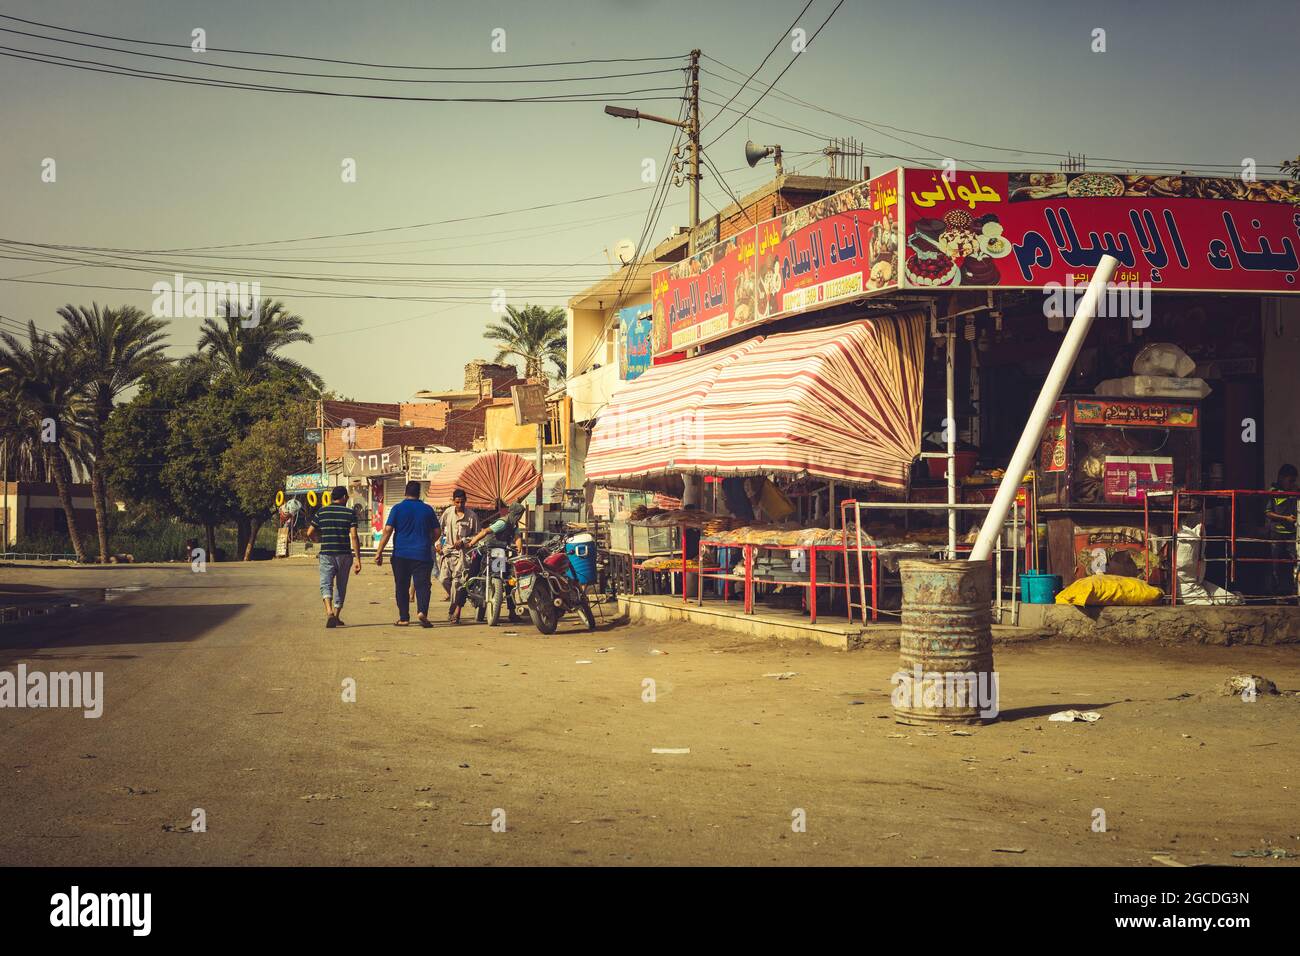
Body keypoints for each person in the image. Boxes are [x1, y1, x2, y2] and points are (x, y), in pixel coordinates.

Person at [374, 481, 440, 627]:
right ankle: (422, 611)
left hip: (401, 555)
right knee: (423, 585)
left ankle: (404, 618)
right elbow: (437, 532)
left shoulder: (397, 509)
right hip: (422, 554)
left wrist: (379, 551)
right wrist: (428, 542)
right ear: (419, 493)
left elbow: (387, 530)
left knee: (401, 586)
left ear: (405, 492)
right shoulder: (427, 509)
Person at [455, 500, 526, 624]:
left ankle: (512, 613)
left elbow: (517, 537)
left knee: (508, 581)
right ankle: (457, 611)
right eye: (519, 515)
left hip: (498, 554)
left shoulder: (514, 526)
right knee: (470, 580)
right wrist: (472, 542)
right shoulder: (502, 523)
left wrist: (519, 548)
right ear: (514, 513)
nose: (519, 517)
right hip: (483, 551)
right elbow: (485, 532)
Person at [306, 486, 361, 629]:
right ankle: (336, 616)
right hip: (344, 554)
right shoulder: (350, 513)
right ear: (343, 497)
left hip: (327, 553)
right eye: (347, 497)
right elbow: (354, 536)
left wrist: (317, 540)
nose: (347, 499)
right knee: (341, 585)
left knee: (326, 584)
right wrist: (358, 559)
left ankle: (329, 612)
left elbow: (310, 532)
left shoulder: (322, 512)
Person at [437, 488, 479, 606]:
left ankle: (454, 609)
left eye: (462, 502)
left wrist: (463, 541)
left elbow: (477, 535)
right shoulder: (447, 513)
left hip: (462, 554)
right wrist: (437, 543)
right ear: (453, 501)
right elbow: (438, 529)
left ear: (465, 501)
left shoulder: (472, 516)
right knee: (443, 580)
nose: (459, 504)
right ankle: (458, 598)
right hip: (447, 552)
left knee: (457, 582)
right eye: (457, 502)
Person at [1265, 463, 1298, 597]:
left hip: (1292, 534)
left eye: (1293, 481)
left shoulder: (1295, 492)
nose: (1291, 484)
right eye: (1290, 480)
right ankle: (1274, 593)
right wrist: (1285, 518)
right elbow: (1268, 513)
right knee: (1275, 564)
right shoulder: (1273, 492)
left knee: (1295, 562)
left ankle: (1293, 591)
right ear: (1281, 478)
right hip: (1276, 534)